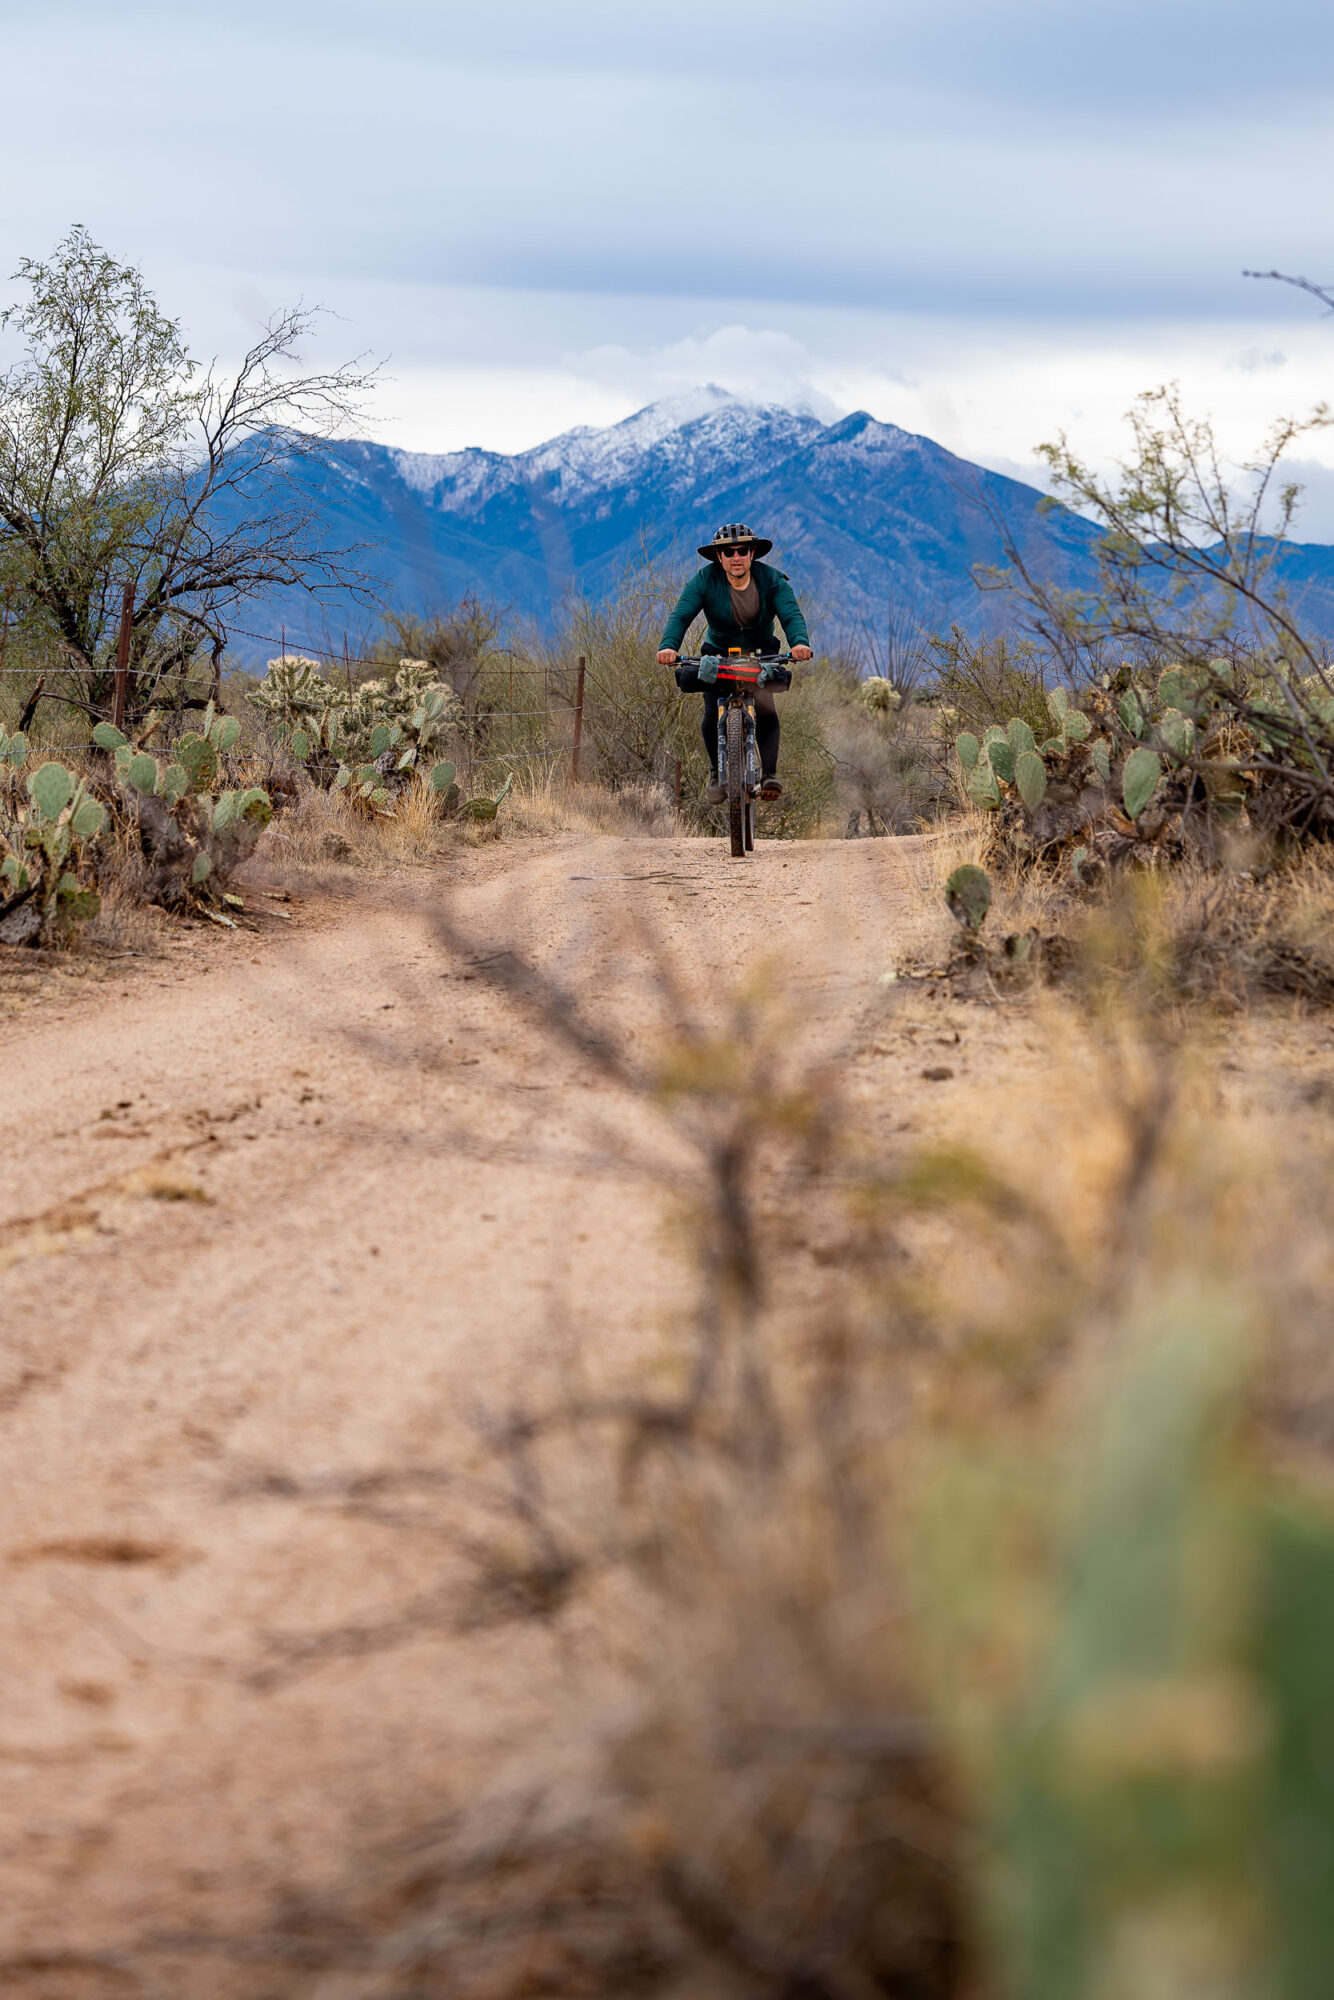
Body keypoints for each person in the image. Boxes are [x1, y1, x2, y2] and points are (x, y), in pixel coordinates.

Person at [657, 524, 812, 801]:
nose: (736, 556)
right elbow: (681, 615)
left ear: (753, 553)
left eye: (742, 550)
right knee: (710, 710)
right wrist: (668, 647)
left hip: (762, 652)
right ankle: (717, 771)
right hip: (718, 651)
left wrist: (799, 643)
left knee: (765, 707)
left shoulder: (771, 580)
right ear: (719, 557)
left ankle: (769, 775)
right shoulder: (704, 580)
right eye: (729, 552)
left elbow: (791, 614)